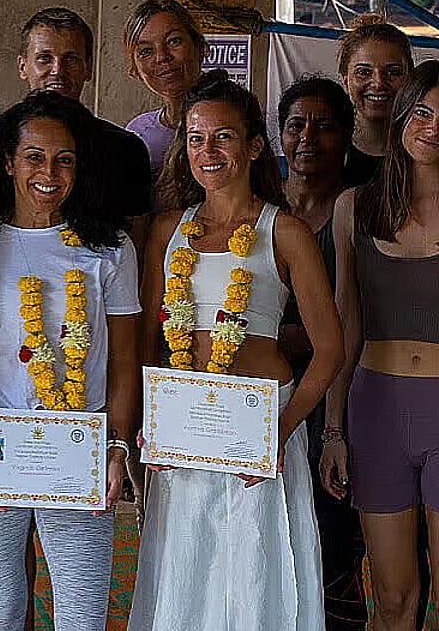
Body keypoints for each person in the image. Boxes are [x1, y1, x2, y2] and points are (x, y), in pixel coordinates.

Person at [129, 70, 341, 630]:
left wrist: (281, 431)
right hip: (185, 436)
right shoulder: (166, 230)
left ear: (252, 146)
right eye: (196, 138)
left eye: (223, 137)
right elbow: (148, 341)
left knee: (254, 579)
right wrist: (152, 420)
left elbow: (329, 350)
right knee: (186, 576)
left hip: (260, 432)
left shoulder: (285, 232)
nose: (208, 151)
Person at [0, 92, 140, 630]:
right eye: (34, 156)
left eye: (64, 160)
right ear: (8, 161)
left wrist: (118, 447)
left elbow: (124, 359)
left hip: (81, 451)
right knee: (0, 612)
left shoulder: (109, 248)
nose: (49, 173)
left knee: (81, 614)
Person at [318, 60, 439, 631]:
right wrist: (334, 430)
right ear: (401, 116)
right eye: (422, 111)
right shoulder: (355, 207)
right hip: (377, 410)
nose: (433, 126)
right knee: (392, 601)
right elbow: (345, 326)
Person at [274, 75, 365, 630]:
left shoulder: (360, 210)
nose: (308, 137)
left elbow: (360, 314)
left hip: (338, 398)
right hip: (265, 398)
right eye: (295, 125)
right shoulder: (258, 207)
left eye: (325, 126)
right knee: (273, 536)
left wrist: (301, 337)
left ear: (348, 138)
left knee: (332, 538)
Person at [18, 7, 152, 224]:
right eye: (44, 58)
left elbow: (137, 239)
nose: (57, 70)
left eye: (70, 59)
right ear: (23, 66)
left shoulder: (126, 150)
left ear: (88, 68)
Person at [122, 0, 208, 190]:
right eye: (146, 51)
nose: (162, 57)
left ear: (200, 47)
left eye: (174, 41)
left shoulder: (233, 120)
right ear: (134, 69)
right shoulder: (138, 134)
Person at [335, 15, 413, 186]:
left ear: (410, 79)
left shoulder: (426, 153)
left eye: (393, 72)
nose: (378, 83)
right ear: (346, 81)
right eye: (364, 72)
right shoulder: (329, 153)